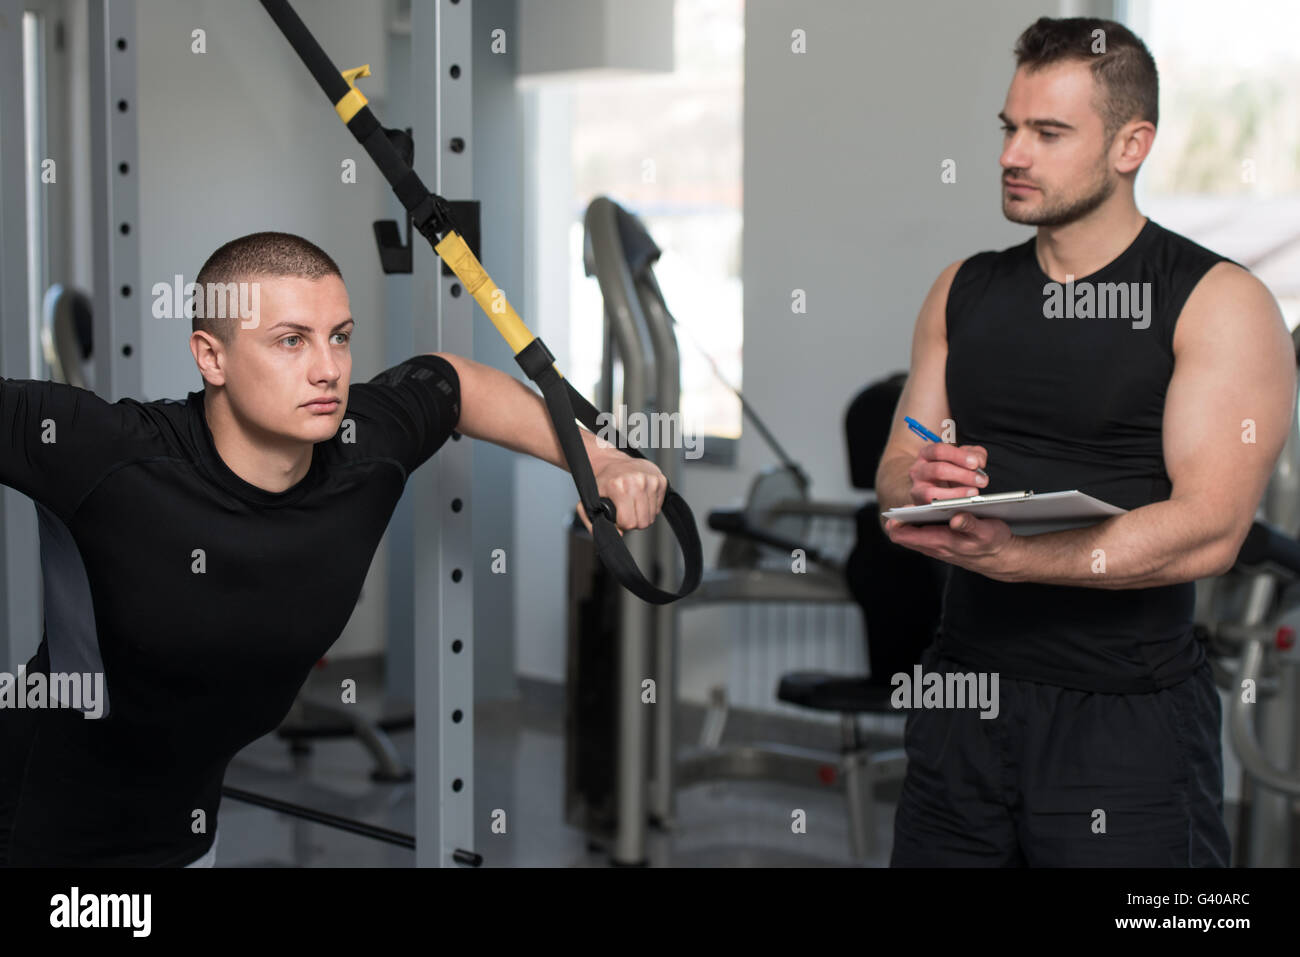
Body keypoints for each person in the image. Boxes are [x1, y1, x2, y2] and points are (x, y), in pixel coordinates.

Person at [0, 231, 667, 867]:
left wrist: (601, 460)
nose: (328, 369)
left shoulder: (361, 449)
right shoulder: (110, 453)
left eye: (340, 337)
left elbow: (455, 384)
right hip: (31, 826)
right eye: (290, 341)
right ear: (212, 356)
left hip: (183, 833)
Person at [877, 17, 1296, 866]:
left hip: (1126, 723)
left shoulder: (1218, 301)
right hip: (963, 702)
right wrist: (921, 479)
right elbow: (894, 469)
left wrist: (1020, 558)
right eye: (1009, 128)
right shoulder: (962, 289)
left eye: (1049, 133)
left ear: (1130, 144)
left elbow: (1213, 528)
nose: (1013, 155)